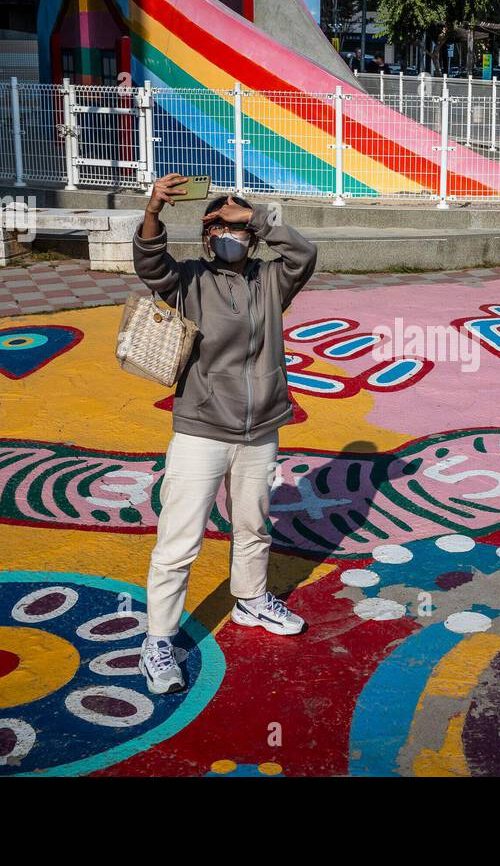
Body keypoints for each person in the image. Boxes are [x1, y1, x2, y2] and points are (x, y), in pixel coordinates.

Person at [133, 174, 318, 694]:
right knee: (179, 539)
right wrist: (154, 213)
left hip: (261, 426)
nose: (229, 236)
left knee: (254, 524)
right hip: (202, 427)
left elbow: (304, 254)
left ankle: (251, 601)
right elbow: (150, 264)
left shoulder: (271, 280)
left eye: (236, 228)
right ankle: (160, 639)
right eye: (218, 228)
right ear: (206, 237)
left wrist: (253, 215)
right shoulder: (189, 279)